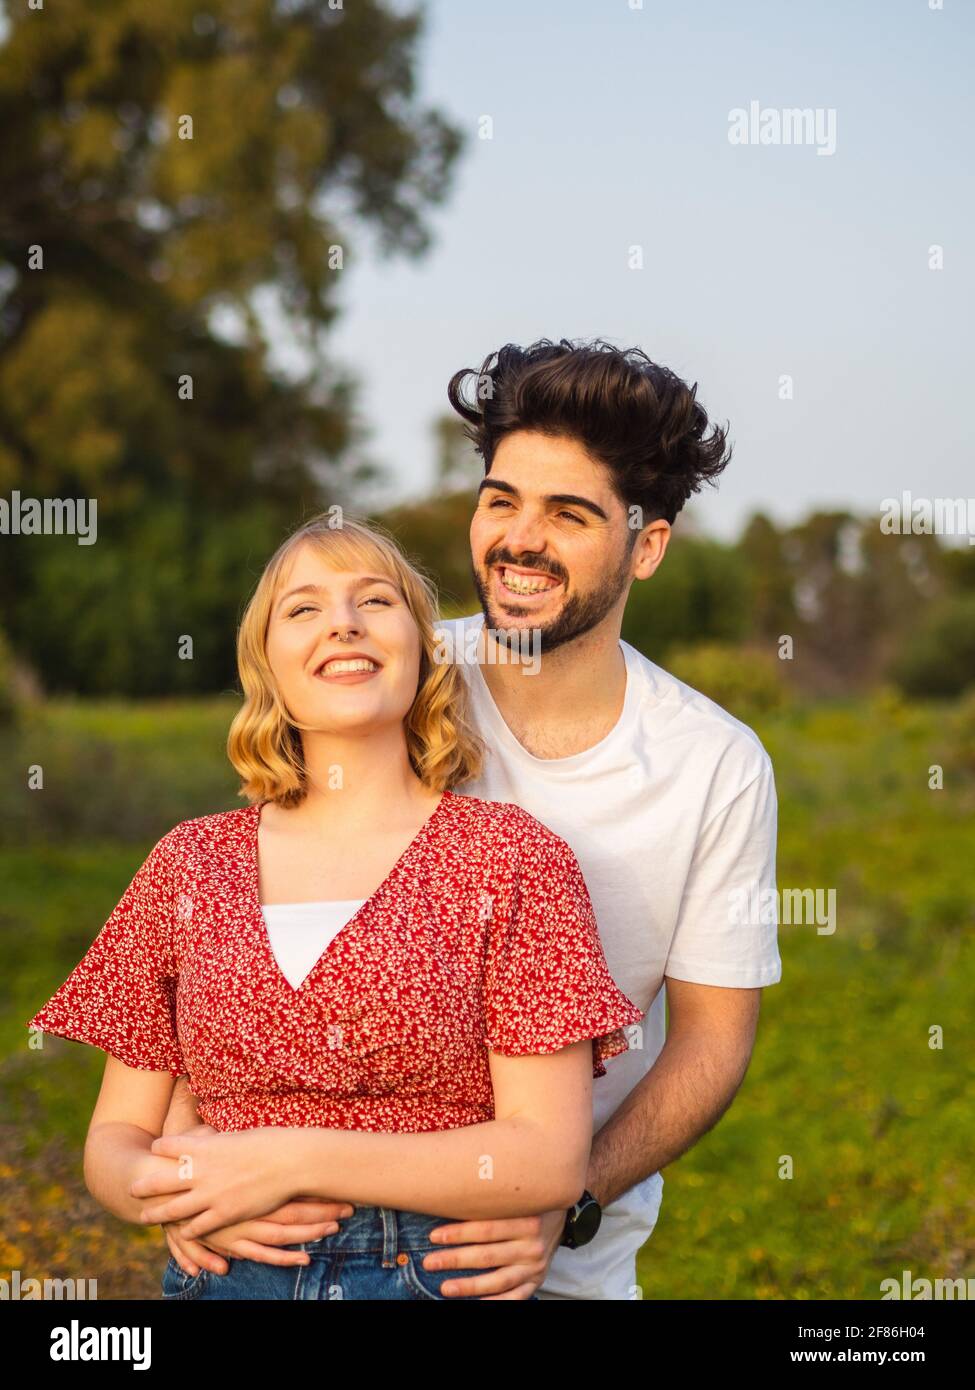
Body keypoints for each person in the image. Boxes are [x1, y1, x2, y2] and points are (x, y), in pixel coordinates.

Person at [161, 336, 784, 1301]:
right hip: (294, 1236)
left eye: (568, 513)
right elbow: (242, 915)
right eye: (501, 500)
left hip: (554, 1255)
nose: (519, 538)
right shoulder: (388, 676)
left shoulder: (716, 764)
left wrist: (564, 1197)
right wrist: (199, 1159)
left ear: (645, 544)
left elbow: (710, 1040)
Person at [25, 513, 644, 1301]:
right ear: (267, 665)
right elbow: (114, 1145)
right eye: (303, 608)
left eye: (375, 602)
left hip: (430, 1273)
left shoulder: (512, 858)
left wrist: (287, 1159)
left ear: (423, 652)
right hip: (226, 1277)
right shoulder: (188, 864)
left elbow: (545, 1159)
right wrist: (181, 1189)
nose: (342, 624)